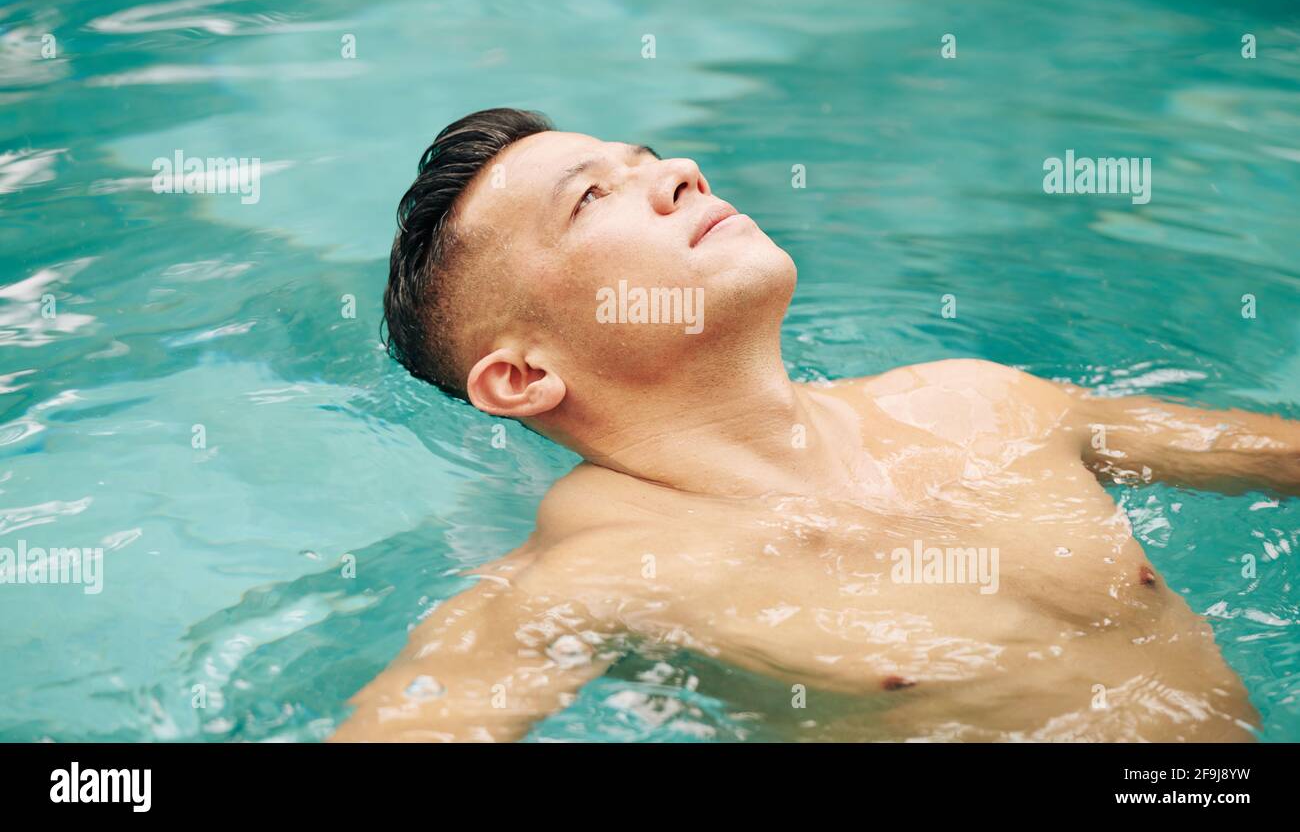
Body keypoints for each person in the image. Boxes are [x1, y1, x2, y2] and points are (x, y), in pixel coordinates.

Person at [331, 108, 1298, 742]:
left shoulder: (981, 402)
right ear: (523, 375)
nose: (678, 171)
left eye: (646, 160)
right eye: (592, 198)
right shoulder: (595, 578)